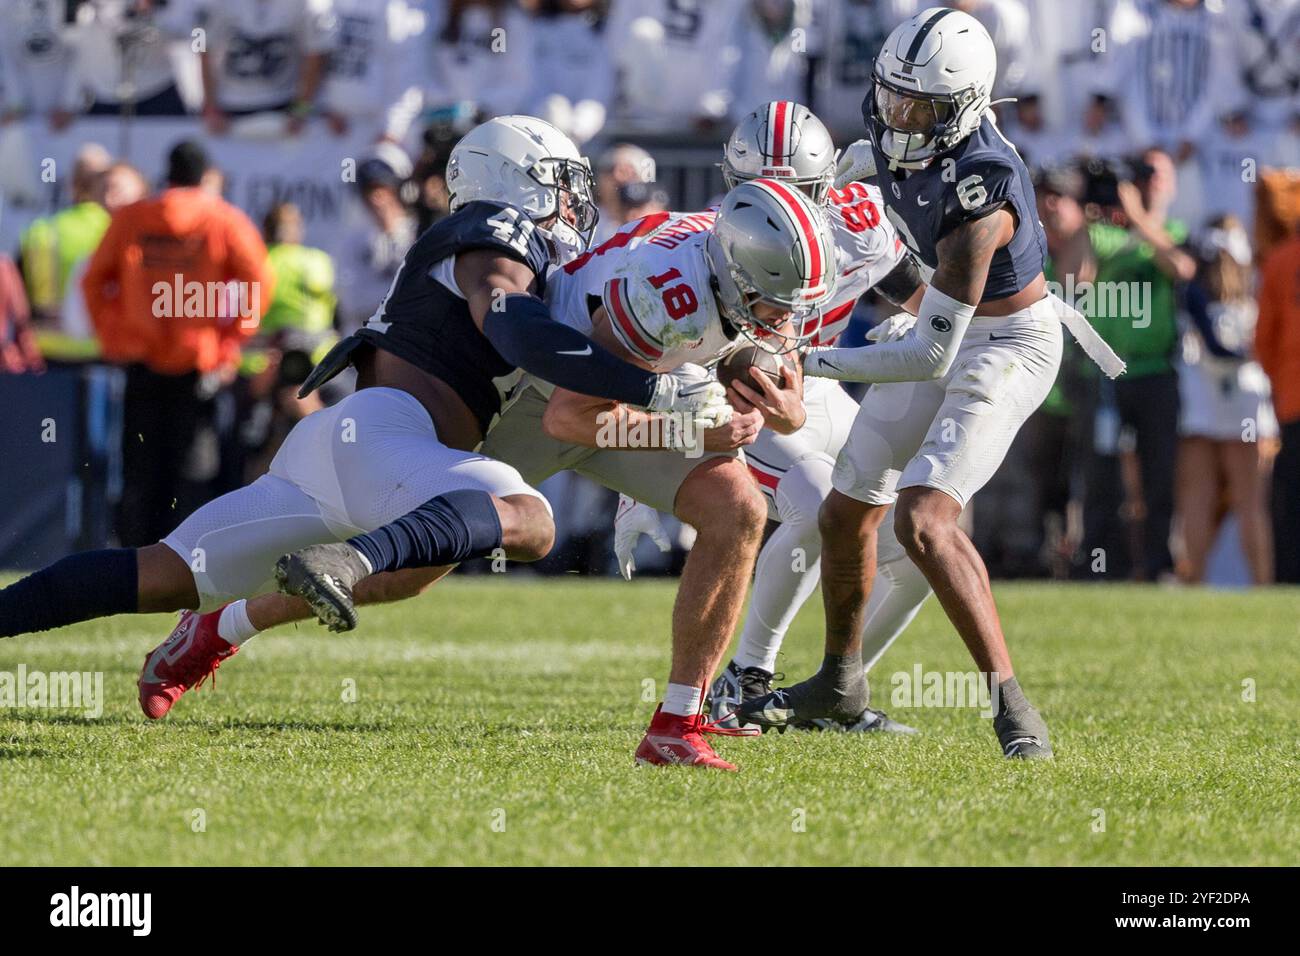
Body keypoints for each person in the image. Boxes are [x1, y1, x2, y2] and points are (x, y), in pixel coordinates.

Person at [0, 117, 727, 723]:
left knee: (158, 573)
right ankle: (347, 562)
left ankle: (221, 617)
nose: (574, 201)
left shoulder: (519, 250)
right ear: (520, 179)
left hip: (340, 448)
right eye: (562, 182)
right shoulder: (492, 229)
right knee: (530, 521)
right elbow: (511, 320)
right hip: (390, 434)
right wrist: (654, 393)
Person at [265, 178, 836, 772]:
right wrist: (691, 434)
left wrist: (783, 407)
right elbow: (572, 418)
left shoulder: (735, 266)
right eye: (774, 303)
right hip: (542, 403)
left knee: (737, 508)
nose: (784, 319)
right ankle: (228, 624)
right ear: (736, 272)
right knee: (412, 574)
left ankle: (677, 724)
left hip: (619, 402)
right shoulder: (664, 293)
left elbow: (749, 354)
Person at [739, 7, 1123, 758]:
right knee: (846, 510)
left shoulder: (985, 190)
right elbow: (868, 159)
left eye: (921, 109)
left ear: (967, 107)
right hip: (941, 328)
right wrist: (821, 183)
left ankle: (1013, 709)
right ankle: (839, 684)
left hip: (1004, 344)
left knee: (922, 518)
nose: (900, 118)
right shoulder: (890, 119)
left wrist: (808, 360)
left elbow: (930, 355)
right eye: (894, 98)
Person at [617, 102, 931, 735]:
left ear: (826, 185)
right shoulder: (709, 241)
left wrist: (936, 332)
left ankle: (837, 693)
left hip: (819, 392)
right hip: (735, 399)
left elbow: (924, 299)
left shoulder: (859, 222)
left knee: (919, 543)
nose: (779, 210)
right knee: (819, 504)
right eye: (759, 191)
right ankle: (744, 680)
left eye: (798, 192)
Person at [82, 140, 274, 547]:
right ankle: (188, 557)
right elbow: (259, 280)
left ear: (166, 173)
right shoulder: (223, 218)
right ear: (204, 176)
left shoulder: (134, 217)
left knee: (140, 466)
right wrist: (228, 342)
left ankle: (135, 560)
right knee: (194, 471)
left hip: (141, 362)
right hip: (198, 365)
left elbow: (94, 281)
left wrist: (115, 336)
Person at [1174, 216, 1275, 585]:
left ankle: (1195, 582)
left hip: (1203, 405)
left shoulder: (1192, 291)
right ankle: (1261, 584)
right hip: (1243, 406)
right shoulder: (1256, 286)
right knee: (1250, 503)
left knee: (1197, 498)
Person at [1255, 222, 1300, 583]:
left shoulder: (1281, 259)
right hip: (1290, 394)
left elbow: (1264, 341)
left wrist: (1279, 387)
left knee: (1291, 498)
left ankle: (1288, 576)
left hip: (1292, 397)